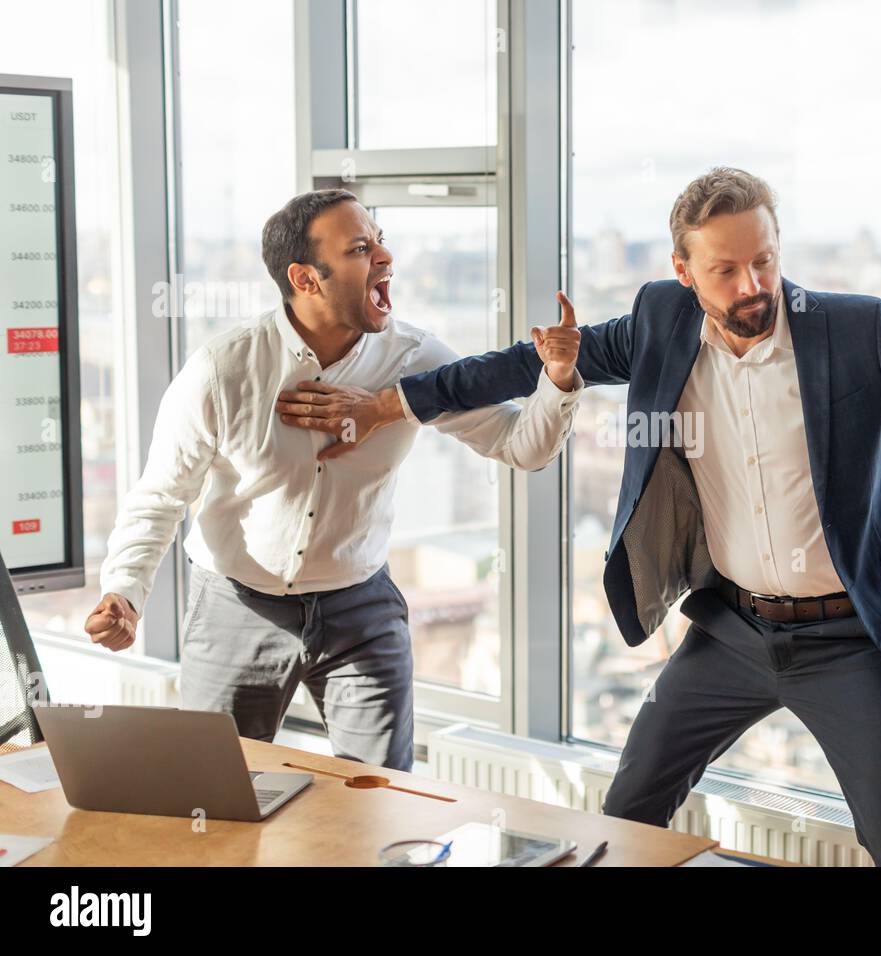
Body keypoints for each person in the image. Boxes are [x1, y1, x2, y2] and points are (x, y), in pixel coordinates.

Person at [275, 168, 881, 865]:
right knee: (627, 813)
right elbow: (517, 364)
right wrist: (389, 402)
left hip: (851, 641)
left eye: (764, 261)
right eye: (725, 270)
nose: (753, 285)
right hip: (733, 632)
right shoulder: (659, 321)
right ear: (684, 270)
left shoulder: (850, 327)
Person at [85, 189, 584, 772]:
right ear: (306, 278)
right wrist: (123, 590)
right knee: (210, 791)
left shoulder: (416, 360)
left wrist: (558, 380)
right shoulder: (223, 369)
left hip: (361, 611)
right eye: (360, 248)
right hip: (236, 607)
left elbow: (520, 445)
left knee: (382, 798)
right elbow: (161, 495)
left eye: (381, 241)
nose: (385, 258)